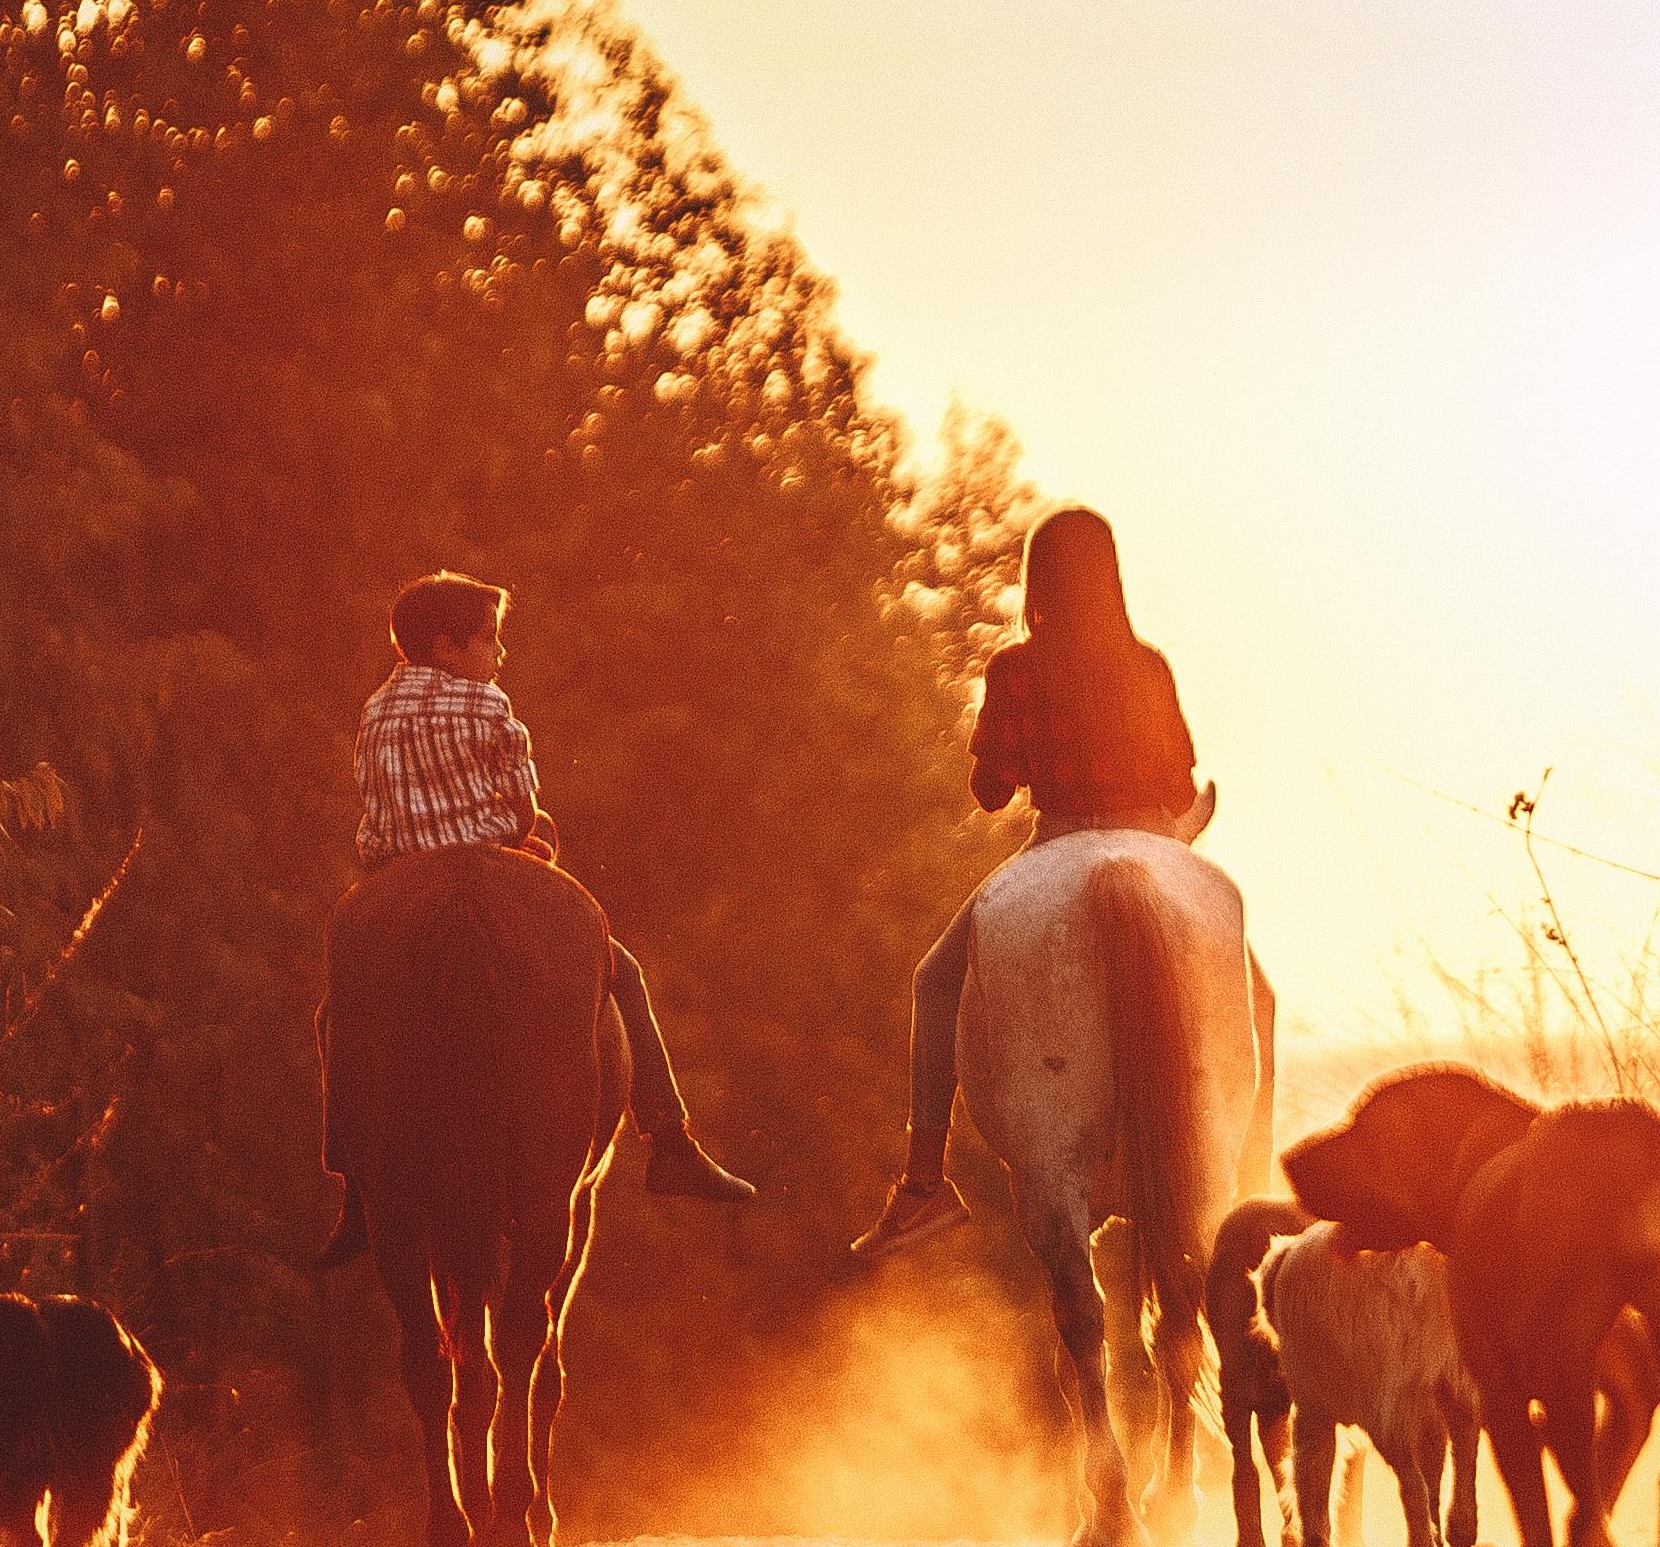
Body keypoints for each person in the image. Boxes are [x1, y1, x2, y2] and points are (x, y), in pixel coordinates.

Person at [318, 571, 756, 1267]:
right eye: (489, 640)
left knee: (337, 1014)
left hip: (397, 870)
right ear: (447, 648)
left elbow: (379, 803)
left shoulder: (376, 710)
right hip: (490, 859)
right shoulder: (489, 707)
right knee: (625, 973)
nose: (500, 655)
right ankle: (669, 1139)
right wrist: (524, 830)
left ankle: (353, 1187)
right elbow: (521, 814)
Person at [848, 505, 1215, 1263]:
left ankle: (922, 1182)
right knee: (1250, 985)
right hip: (1152, 836)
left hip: (1058, 838)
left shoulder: (1015, 670)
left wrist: (998, 751)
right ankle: (1248, 1149)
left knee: (934, 982)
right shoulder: (1148, 666)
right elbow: (1181, 788)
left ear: (1035, 578)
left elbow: (990, 792)